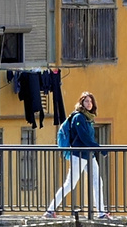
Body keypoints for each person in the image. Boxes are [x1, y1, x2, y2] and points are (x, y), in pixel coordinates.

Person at [43, 91, 110, 219]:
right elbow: (83, 137)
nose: (89, 103)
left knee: (97, 182)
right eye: (86, 101)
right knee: (70, 184)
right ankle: (50, 210)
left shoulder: (87, 118)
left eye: (90, 101)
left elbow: (88, 138)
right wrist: (99, 148)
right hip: (79, 156)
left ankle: (101, 212)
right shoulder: (78, 117)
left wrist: (96, 149)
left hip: (89, 155)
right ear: (81, 103)